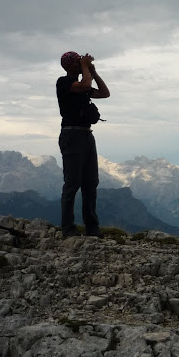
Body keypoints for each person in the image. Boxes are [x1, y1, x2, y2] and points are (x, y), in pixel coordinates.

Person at [56, 51, 110, 237]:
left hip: (86, 135)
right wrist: (87, 69)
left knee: (90, 182)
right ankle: (68, 229)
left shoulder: (83, 86)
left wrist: (93, 72)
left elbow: (105, 93)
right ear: (69, 65)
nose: (81, 64)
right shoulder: (64, 82)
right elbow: (84, 84)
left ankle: (92, 228)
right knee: (72, 183)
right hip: (72, 135)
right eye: (78, 62)